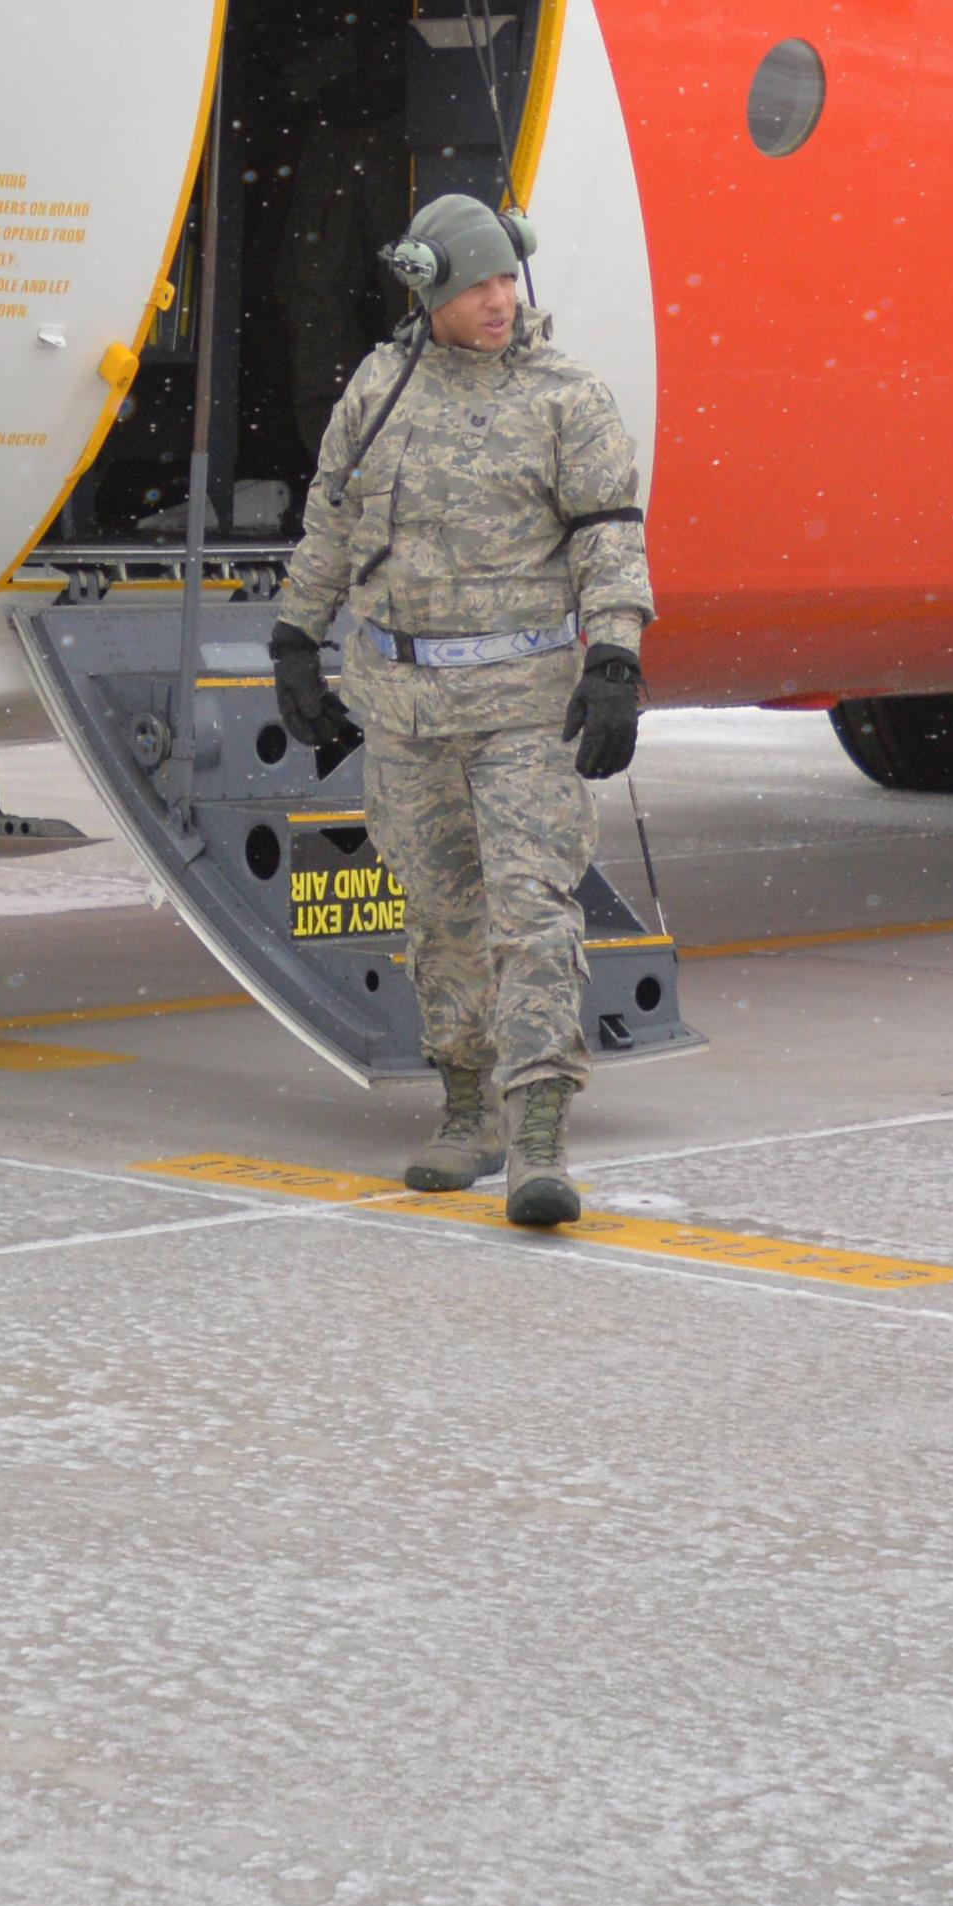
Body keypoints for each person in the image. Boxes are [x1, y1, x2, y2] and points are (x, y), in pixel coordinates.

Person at [269, 194, 652, 1230]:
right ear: (429, 288)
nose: (499, 298)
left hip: (522, 705)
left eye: (505, 278)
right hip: (402, 703)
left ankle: (537, 1130)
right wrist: (296, 635)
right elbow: (333, 515)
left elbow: (608, 533)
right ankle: (467, 1103)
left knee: (530, 912)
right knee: (440, 914)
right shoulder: (380, 387)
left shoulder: (565, 394)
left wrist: (613, 651)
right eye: (476, 283)